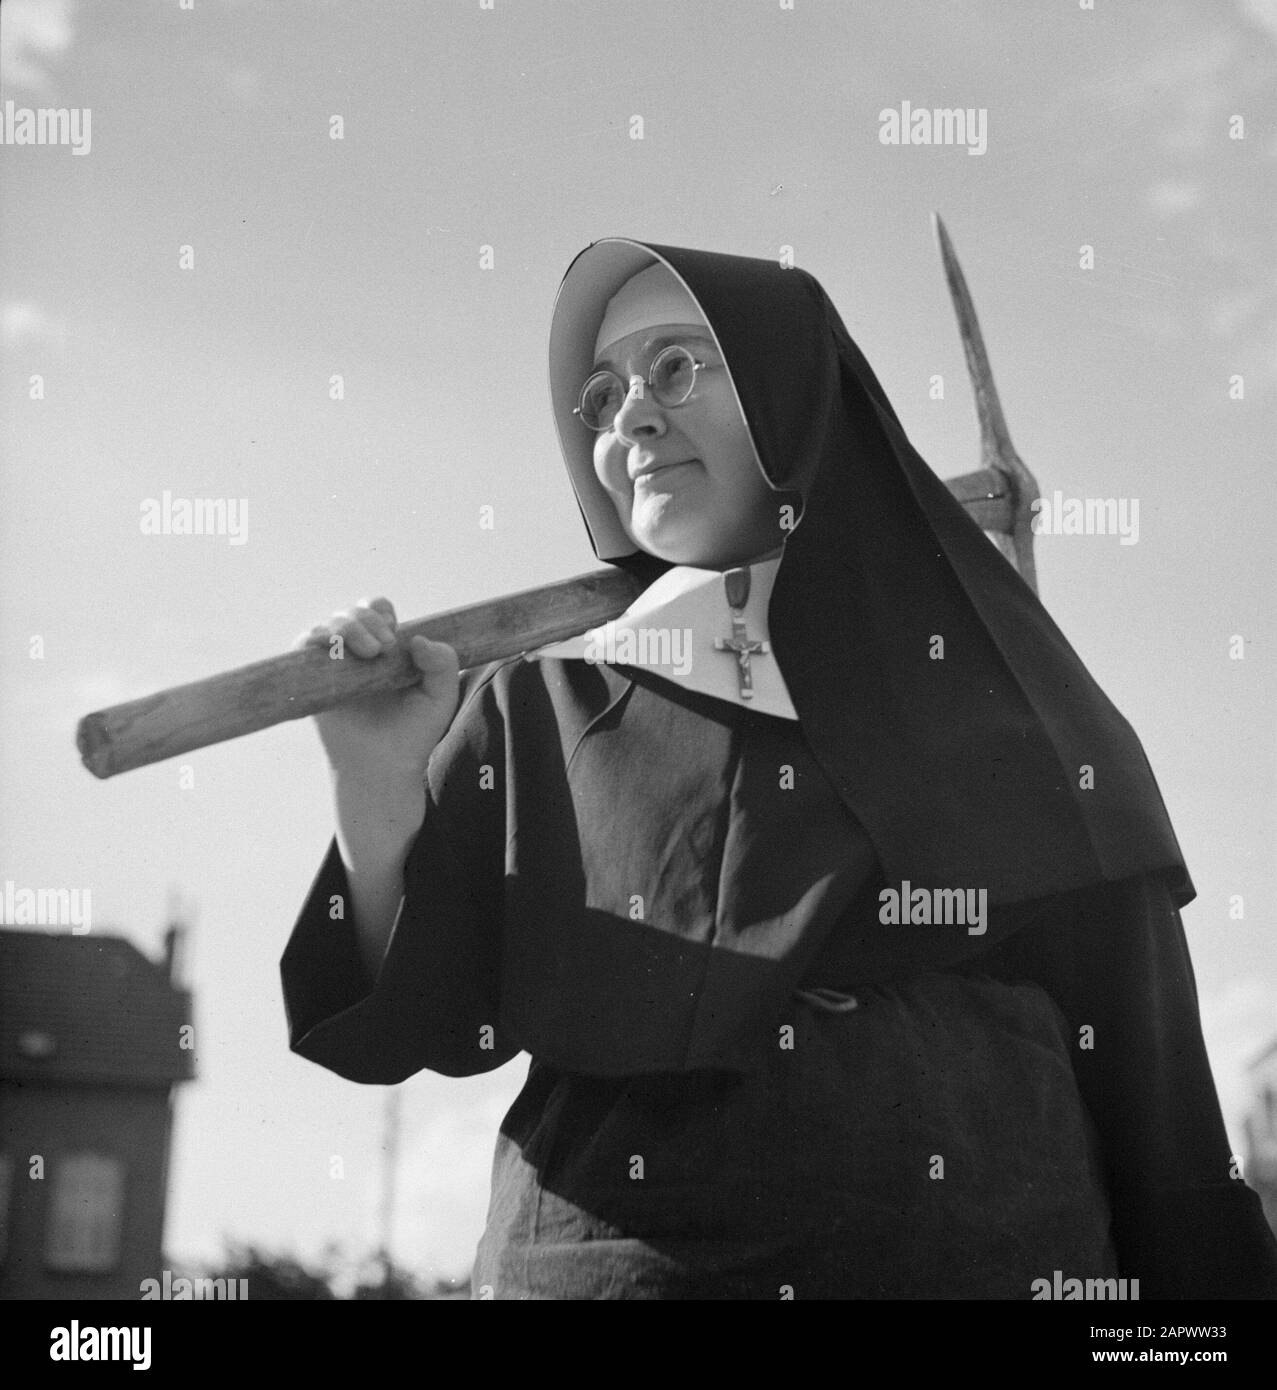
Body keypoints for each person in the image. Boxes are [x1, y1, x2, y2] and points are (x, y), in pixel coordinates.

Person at [281, 238, 1277, 1300]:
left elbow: (1160, 1120)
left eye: (674, 367)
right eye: (602, 394)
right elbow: (414, 1018)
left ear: (794, 392)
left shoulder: (1011, 698)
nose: (630, 417)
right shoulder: (536, 704)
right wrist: (377, 785)